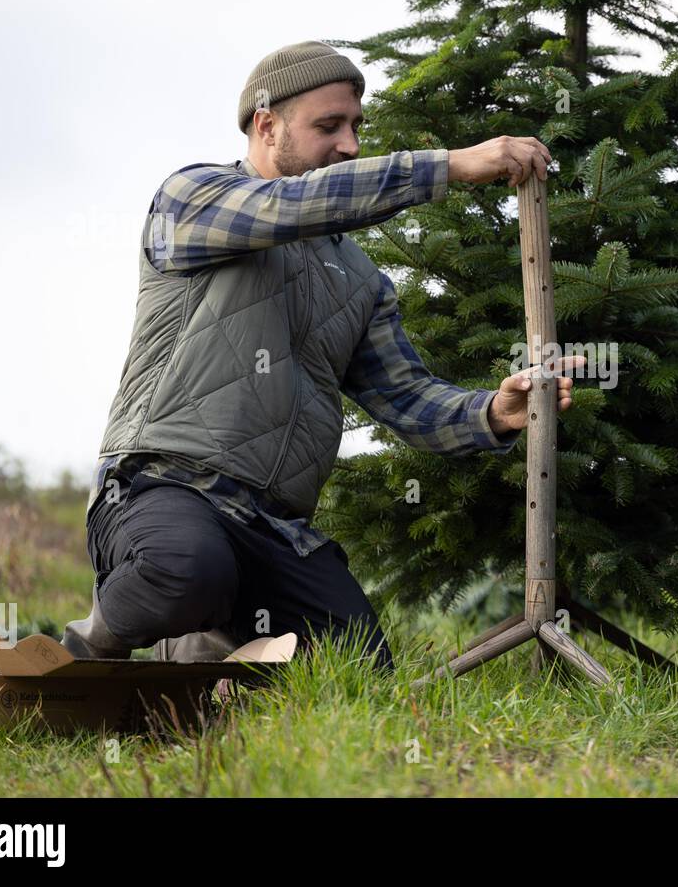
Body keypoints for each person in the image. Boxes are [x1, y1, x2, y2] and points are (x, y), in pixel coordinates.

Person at [61, 40, 577, 672]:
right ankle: (91, 650)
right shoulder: (191, 200)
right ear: (266, 123)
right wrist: (450, 166)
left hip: (273, 528)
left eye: (357, 126)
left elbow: (406, 397)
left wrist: (493, 411)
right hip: (162, 489)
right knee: (185, 568)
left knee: (357, 670)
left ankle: (214, 658)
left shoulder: (357, 279)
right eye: (328, 126)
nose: (350, 144)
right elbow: (294, 206)